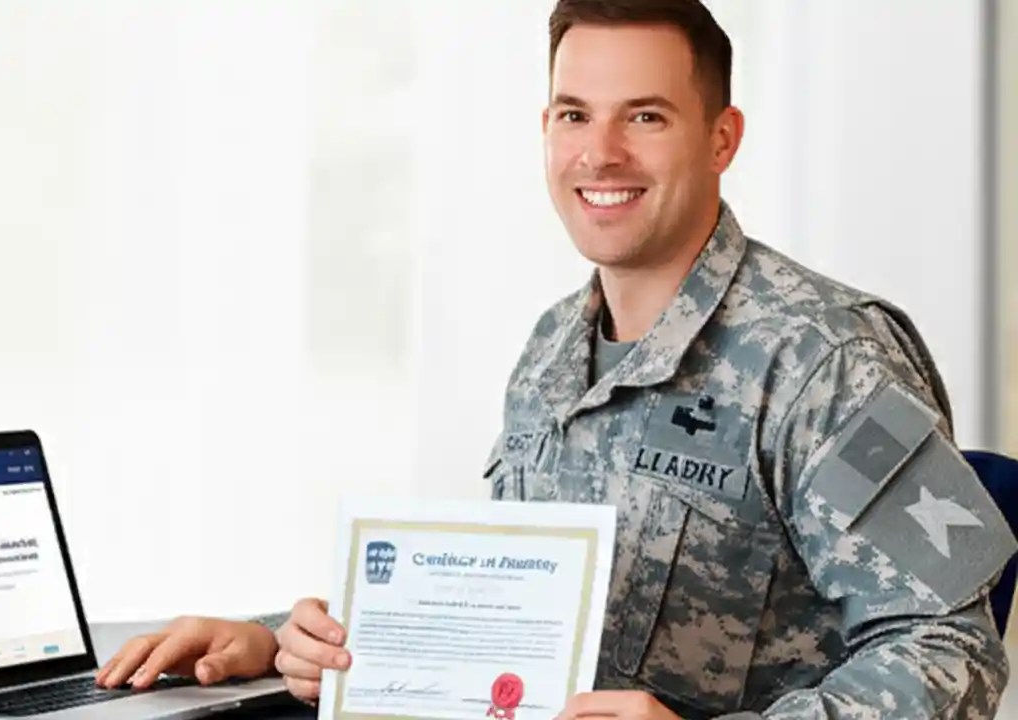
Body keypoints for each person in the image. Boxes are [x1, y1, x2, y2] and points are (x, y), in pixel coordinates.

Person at [95, 0, 1018, 717]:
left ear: (722, 138)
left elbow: (953, 654)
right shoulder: (549, 349)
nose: (600, 153)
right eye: (575, 113)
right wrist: (281, 644)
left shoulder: (827, 358)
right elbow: (501, 610)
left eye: (646, 116)